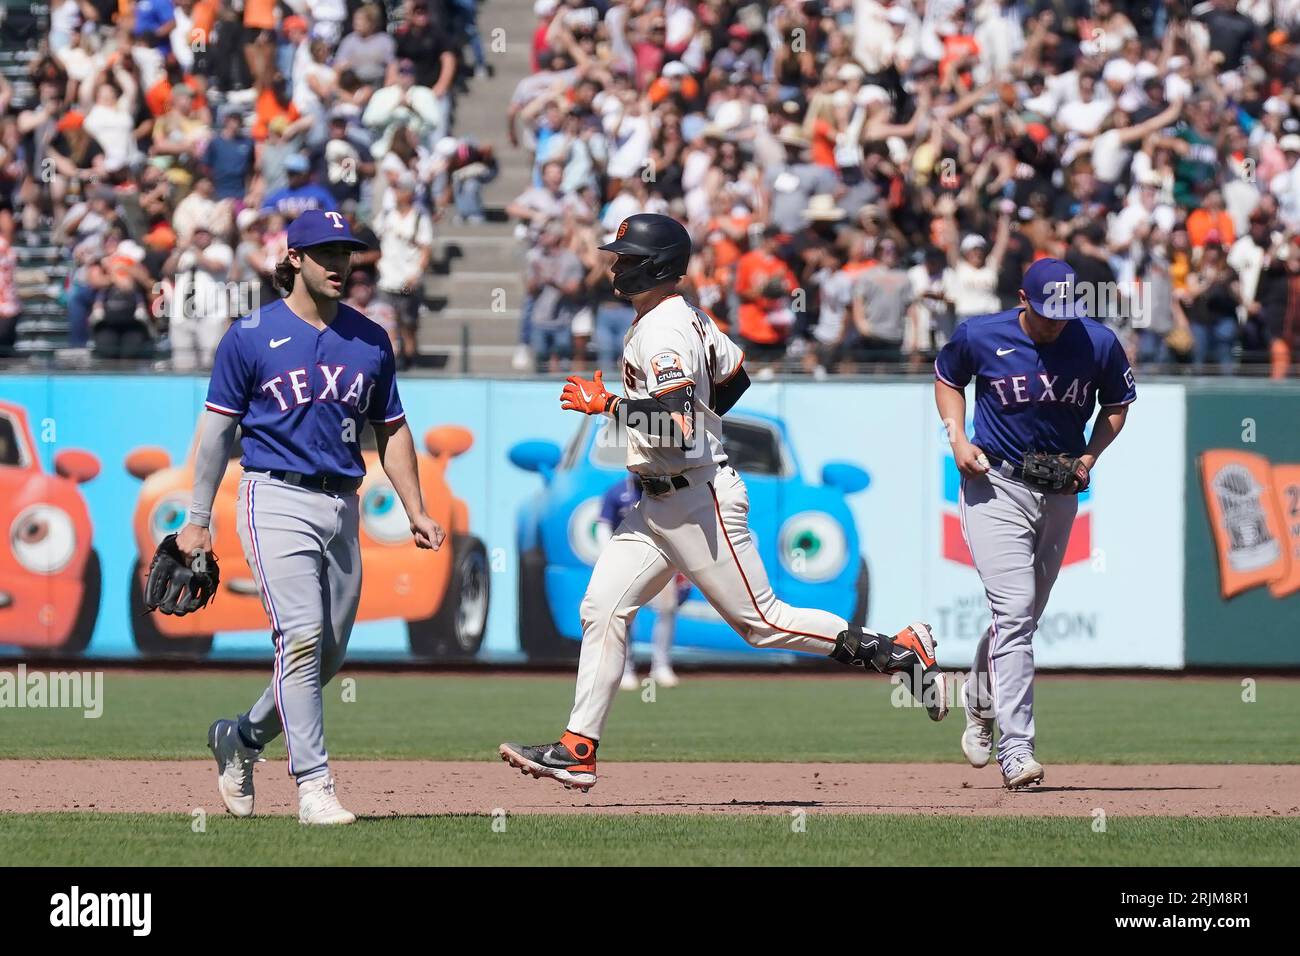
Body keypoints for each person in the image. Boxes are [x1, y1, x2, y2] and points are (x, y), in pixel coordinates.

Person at [499, 214, 947, 793]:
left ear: (656, 266)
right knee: (602, 610)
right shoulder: (684, 318)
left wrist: (608, 405)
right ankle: (577, 749)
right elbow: (735, 378)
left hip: (695, 499)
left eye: (626, 257)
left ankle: (896, 650)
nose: (615, 265)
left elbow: (682, 427)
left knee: (761, 624)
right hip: (655, 505)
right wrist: (695, 415)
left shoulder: (664, 329)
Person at [186, 209, 445, 824]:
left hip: (343, 503)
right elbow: (218, 430)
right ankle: (314, 787)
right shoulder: (250, 334)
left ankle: (242, 738)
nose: (339, 264)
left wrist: (416, 508)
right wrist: (198, 518)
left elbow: (394, 428)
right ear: (294, 259)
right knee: (299, 639)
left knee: (326, 656)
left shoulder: (370, 338)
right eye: (325, 252)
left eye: (346, 252)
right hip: (273, 494)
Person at [933, 258, 1136, 790]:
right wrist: (957, 437)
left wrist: (1090, 457)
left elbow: (1116, 405)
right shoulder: (981, 334)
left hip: (1060, 492)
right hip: (994, 484)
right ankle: (1017, 751)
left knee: (1020, 618)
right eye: (1047, 312)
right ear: (1023, 298)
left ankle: (980, 699)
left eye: (1065, 311)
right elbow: (948, 380)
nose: (1055, 322)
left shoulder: (1096, 342)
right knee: (1016, 611)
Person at [595, 474, 682, 690]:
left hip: (658, 560)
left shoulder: (664, 491)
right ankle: (624, 669)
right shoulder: (617, 491)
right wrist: (609, 556)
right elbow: (604, 526)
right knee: (621, 616)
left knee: (666, 609)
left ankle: (661, 665)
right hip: (625, 562)